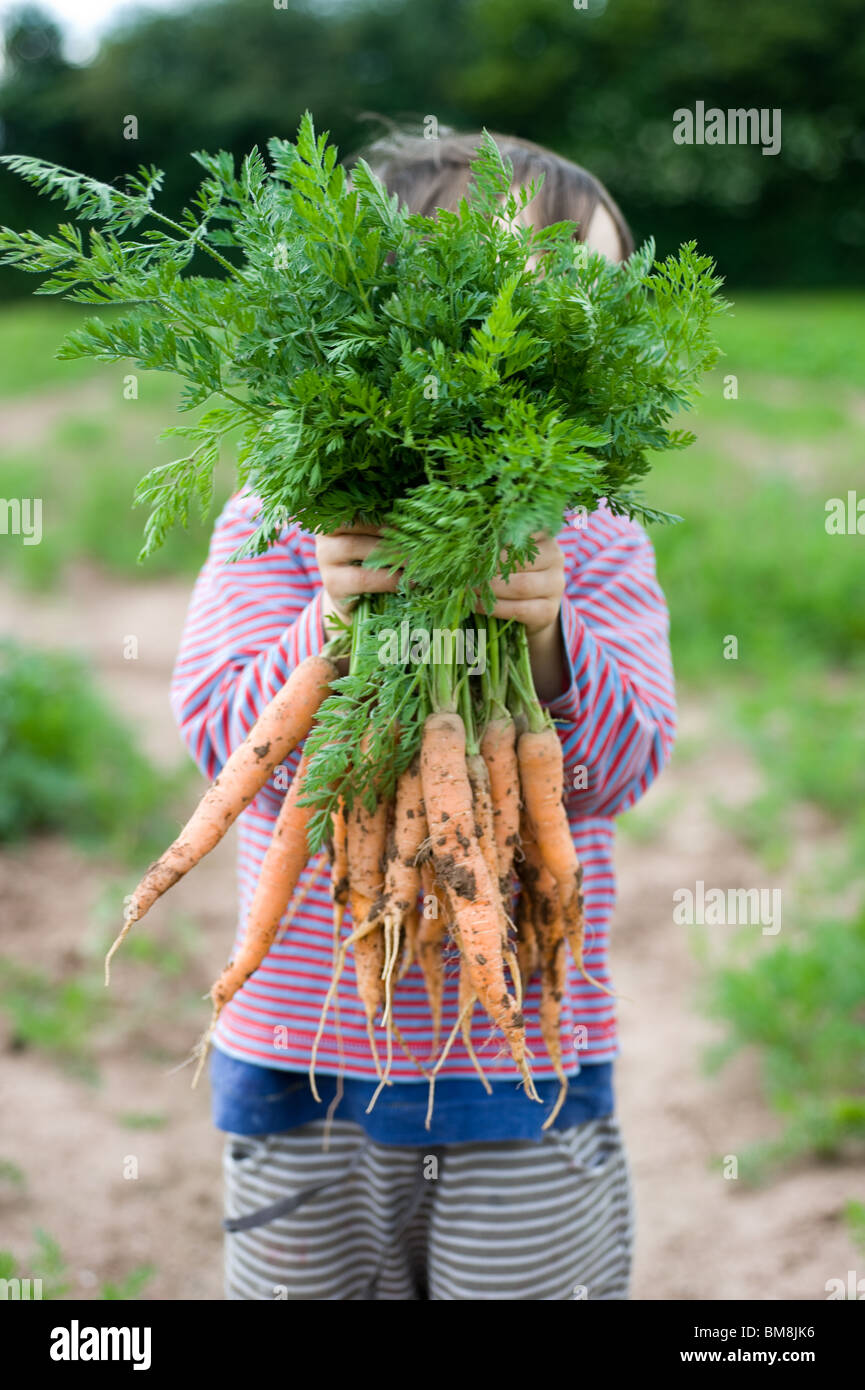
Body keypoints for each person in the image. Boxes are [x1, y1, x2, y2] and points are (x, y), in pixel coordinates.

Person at [170, 129, 675, 1301]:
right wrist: (334, 621)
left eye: (596, 314)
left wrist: (548, 641)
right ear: (380, 313)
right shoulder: (286, 515)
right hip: (305, 1057)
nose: (565, 342)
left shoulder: (592, 533)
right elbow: (219, 738)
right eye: (526, 303)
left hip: (524, 1059)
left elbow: (627, 761)